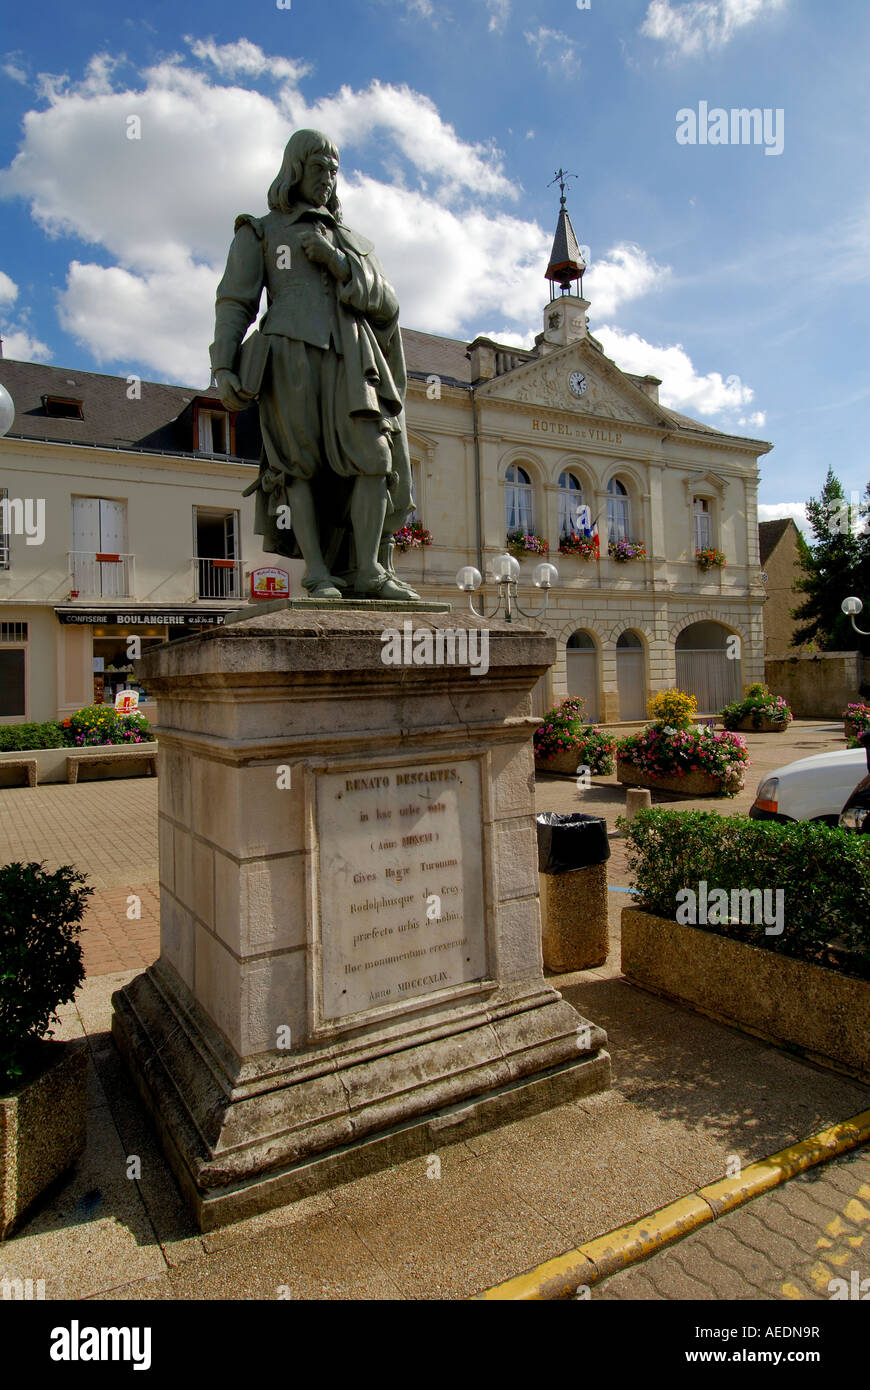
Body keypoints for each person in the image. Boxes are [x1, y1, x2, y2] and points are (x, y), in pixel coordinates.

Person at [210, 128, 419, 600]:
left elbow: (388, 305)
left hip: (353, 357)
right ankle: (318, 573)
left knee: (375, 457)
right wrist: (223, 365)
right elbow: (235, 302)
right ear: (295, 168)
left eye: (334, 170)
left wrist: (340, 264)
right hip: (288, 354)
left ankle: (367, 570)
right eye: (318, 167)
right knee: (298, 466)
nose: (327, 178)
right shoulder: (260, 231)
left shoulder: (354, 241)